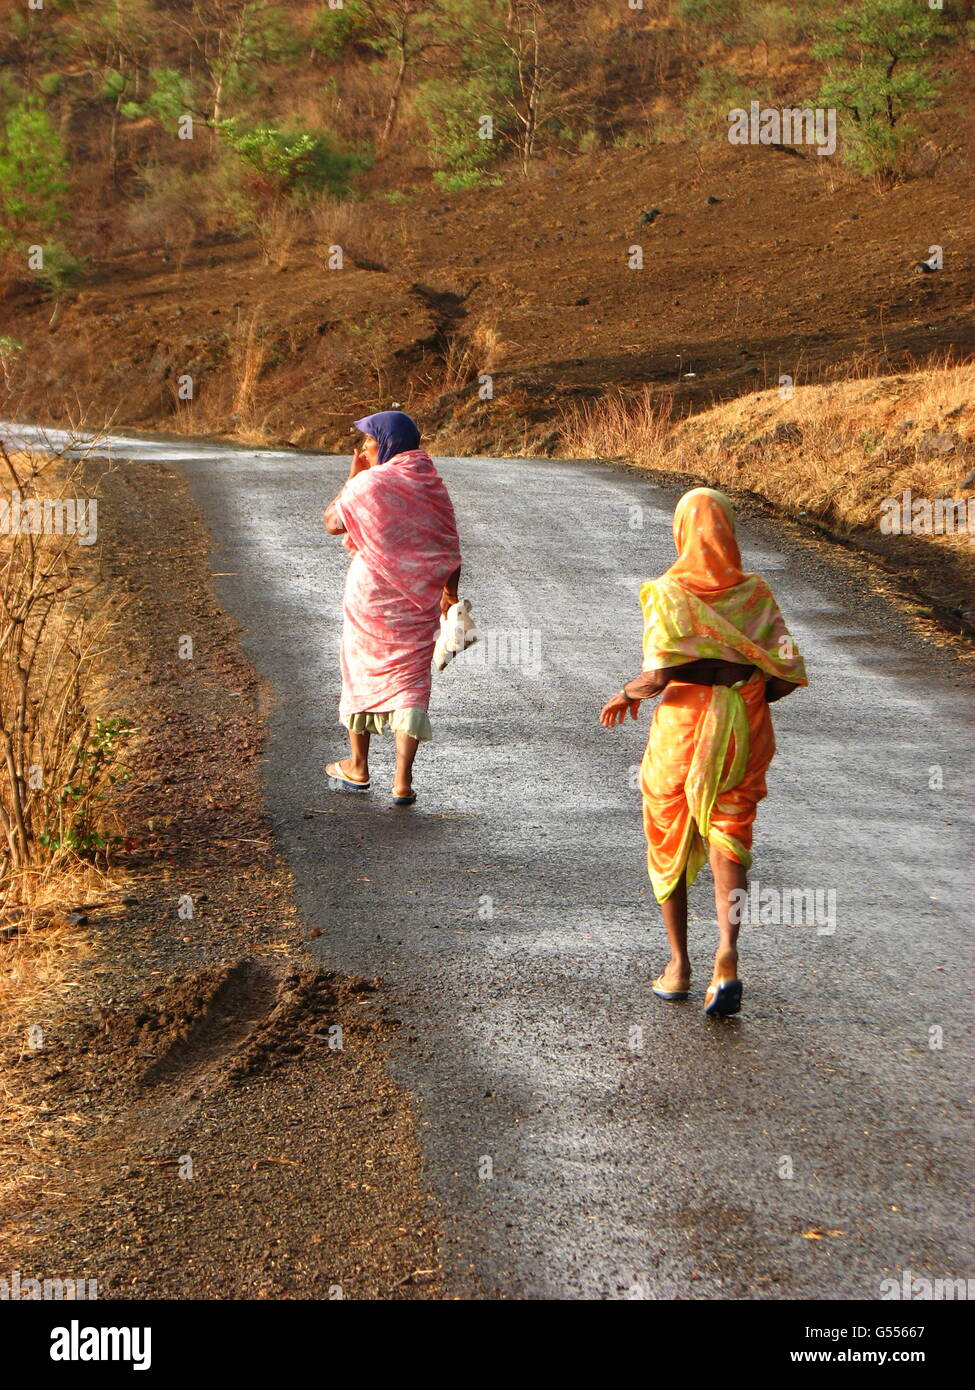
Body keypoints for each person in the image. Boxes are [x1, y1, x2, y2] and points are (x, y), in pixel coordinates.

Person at [600, 487, 808, 1016]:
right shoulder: (755, 592)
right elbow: (786, 674)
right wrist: (743, 691)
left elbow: (662, 671)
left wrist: (628, 693)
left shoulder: (668, 591)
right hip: (742, 725)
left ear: (681, 531)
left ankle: (677, 967)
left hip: (682, 727)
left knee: (669, 833)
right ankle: (728, 957)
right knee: (729, 833)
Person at [323, 411, 462, 805]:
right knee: (411, 681)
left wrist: (353, 476)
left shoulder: (370, 481)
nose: (363, 450)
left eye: (367, 443)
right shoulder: (430, 481)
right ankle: (402, 781)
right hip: (420, 597)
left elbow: (333, 522)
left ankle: (358, 766)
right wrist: (449, 594)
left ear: (384, 444)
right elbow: (449, 545)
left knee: (361, 671)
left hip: (371, 596)